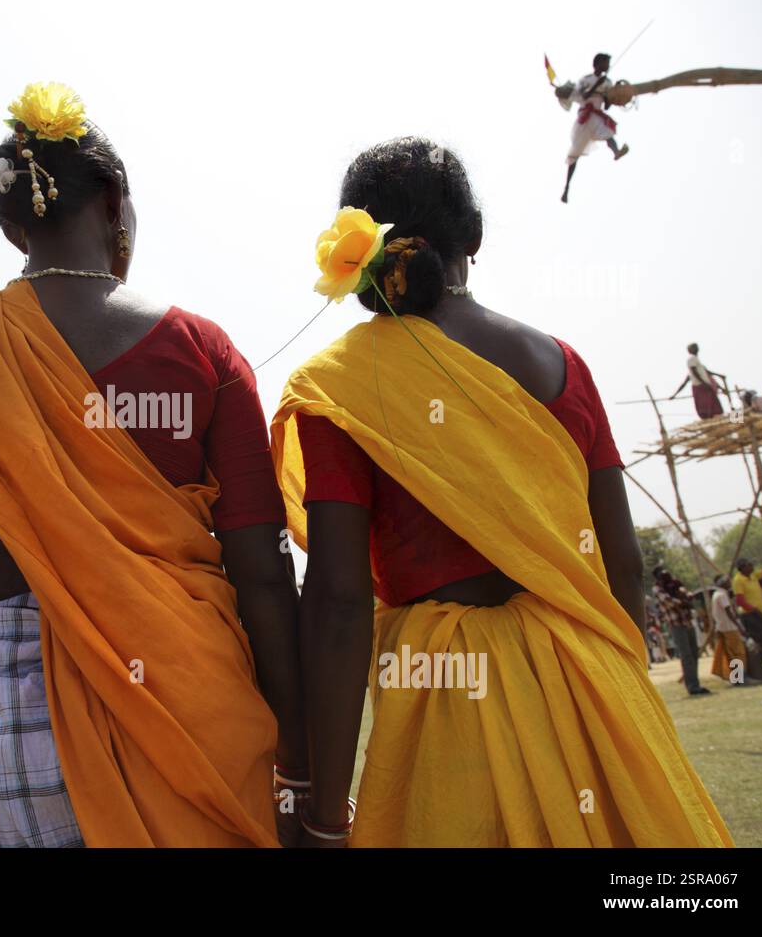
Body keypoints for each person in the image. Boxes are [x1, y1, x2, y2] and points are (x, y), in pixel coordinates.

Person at [272, 137, 731, 846]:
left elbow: (337, 602)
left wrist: (327, 815)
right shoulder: (559, 363)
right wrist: (623, 706)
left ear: (357, 254)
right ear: (474, 237)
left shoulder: (342, 385)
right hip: (591, 686)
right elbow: (623, 564)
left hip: (446, 705)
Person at [0, 83, 303, 848]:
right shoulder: (202, 350)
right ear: (116, 201)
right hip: (189, 690)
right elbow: (264, 570)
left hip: (7, 705)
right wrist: (302, 767)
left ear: (13, 228)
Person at [556, 52, 629, 203]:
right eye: (605, 63)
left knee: (609, 133)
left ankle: (616, 152)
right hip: (584, 118)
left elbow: (607, 106)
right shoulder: (586, 79)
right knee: (575, 153)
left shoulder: (608, 82)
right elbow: (583, 96)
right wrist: (597, 85)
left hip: (597, 115)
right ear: (597, 64)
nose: (607, 66)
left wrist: (612, 95)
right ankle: (566, 188)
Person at [652, 567, 711, 695]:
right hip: (676, 624)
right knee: (687, 655)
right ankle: (693, 686)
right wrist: (684, 600)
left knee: (694, 653)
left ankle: (694, 683)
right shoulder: (658, 589)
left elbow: (687, 594)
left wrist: (686, 597)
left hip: (687, 621)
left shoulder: (674, 584)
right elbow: (670, 602)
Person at [732, 557, 762, 678]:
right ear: (742, 567)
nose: (752, 566)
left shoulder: (753, 575)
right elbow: (740, 600)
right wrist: (754, 610)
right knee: (758, 641)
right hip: (750, 615)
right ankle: (758, 671)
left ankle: (761, 669)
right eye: (749, 564)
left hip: (761, 614)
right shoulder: (738, 580)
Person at [709, 575, 749, 684]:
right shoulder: (722, 595)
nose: (730, 583)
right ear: (723, 583)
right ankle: (740, 678)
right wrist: (739, 626)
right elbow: (728, 612)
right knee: (738, 653)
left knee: (731, 654)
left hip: (723, 627)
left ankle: (737, 678)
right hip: (729, 627)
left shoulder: (717, 594)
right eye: (727, 582)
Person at [671, 343, 726, 419]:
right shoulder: (692, 359)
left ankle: (718, 418)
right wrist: (674, 395)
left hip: (705, 385)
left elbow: (708, 374)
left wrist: (720, 382)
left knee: (713, 406)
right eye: (693, 348)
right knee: (708, 408)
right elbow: (693, 373)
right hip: (700, 386)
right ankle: (712, 418)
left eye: (696, 347)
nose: (695, 349)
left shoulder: (699, 365)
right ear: (689, 351)